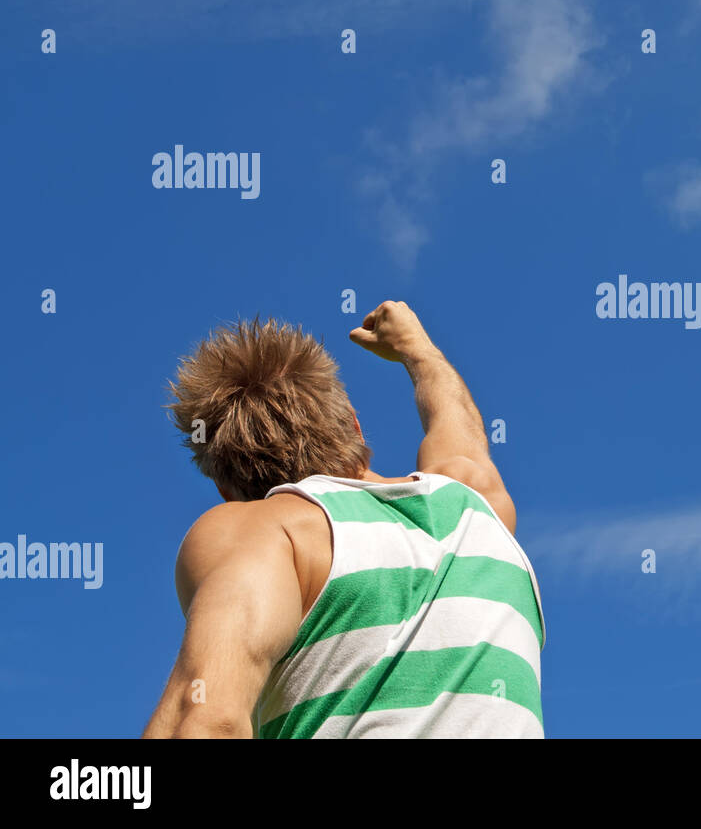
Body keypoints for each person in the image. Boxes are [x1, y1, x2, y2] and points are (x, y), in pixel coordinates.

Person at [142, 300, 544, 738]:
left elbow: (206, 719)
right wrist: (416, 348)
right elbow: (457, 431)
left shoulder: (262, 531)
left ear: (226, 490)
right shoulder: (474, 506)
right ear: (354, 424)